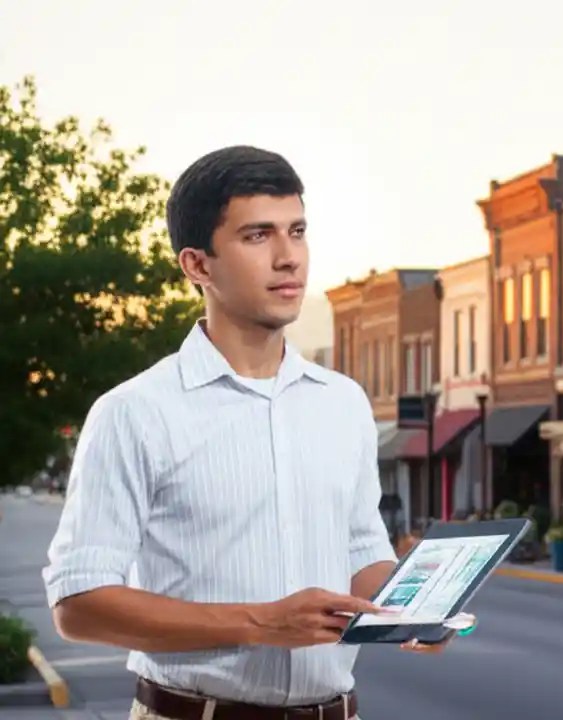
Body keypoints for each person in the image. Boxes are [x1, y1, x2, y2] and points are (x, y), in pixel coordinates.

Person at [42, 146, 451, 720]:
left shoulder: (343, 404)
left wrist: (414, 606)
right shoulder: (134, 413)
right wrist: (262, 622)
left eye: (297, 231)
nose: (289, 258)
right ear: (198, 265)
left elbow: (361, 549)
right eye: (258, 236)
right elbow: (79, 606)